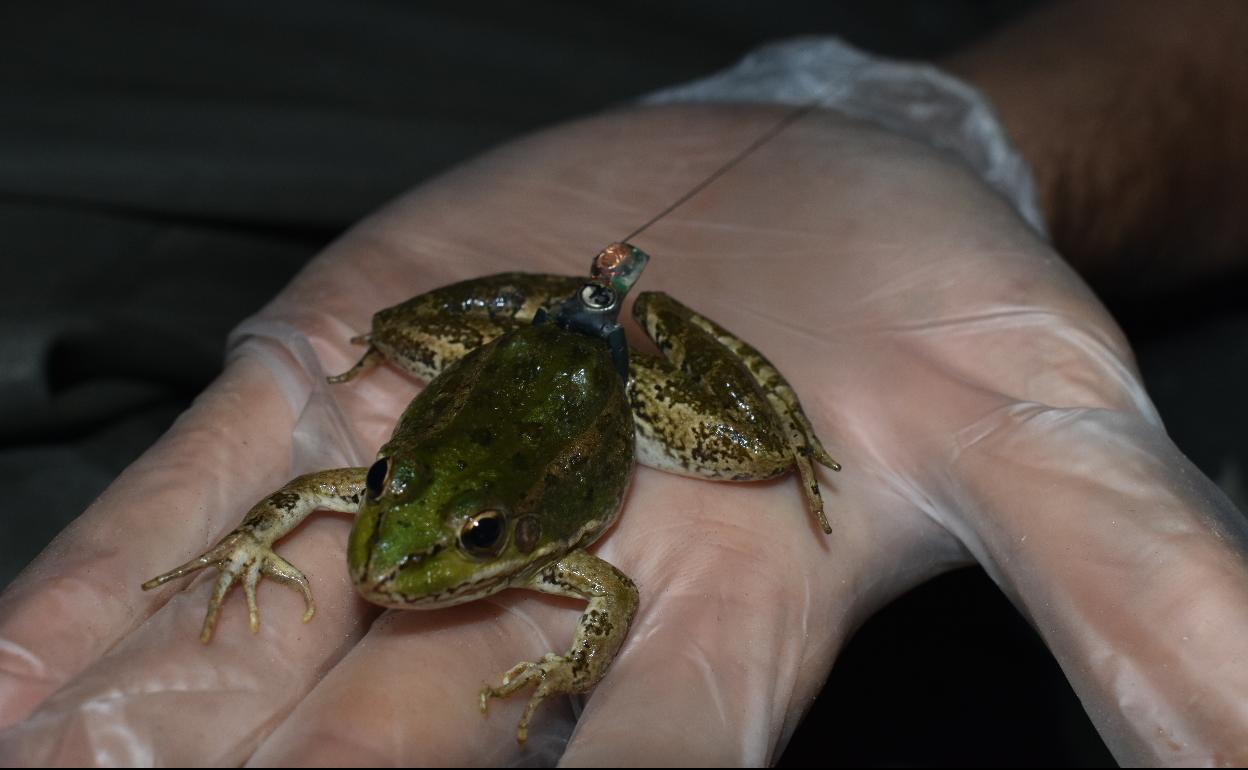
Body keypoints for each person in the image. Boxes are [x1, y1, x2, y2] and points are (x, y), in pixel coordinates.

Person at [0, 1, 1245, 764]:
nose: (386, 557)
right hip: (510, 336)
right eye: (388, 497)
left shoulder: (554, 548)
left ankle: (781, 424)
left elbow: (599, 587)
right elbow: (329, 486)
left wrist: (931, 124)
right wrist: (250, 539)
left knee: (755, 452)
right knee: (381, 327)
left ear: (514, 536)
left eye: (470, 542)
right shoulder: (392, 509)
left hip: (606, 382)